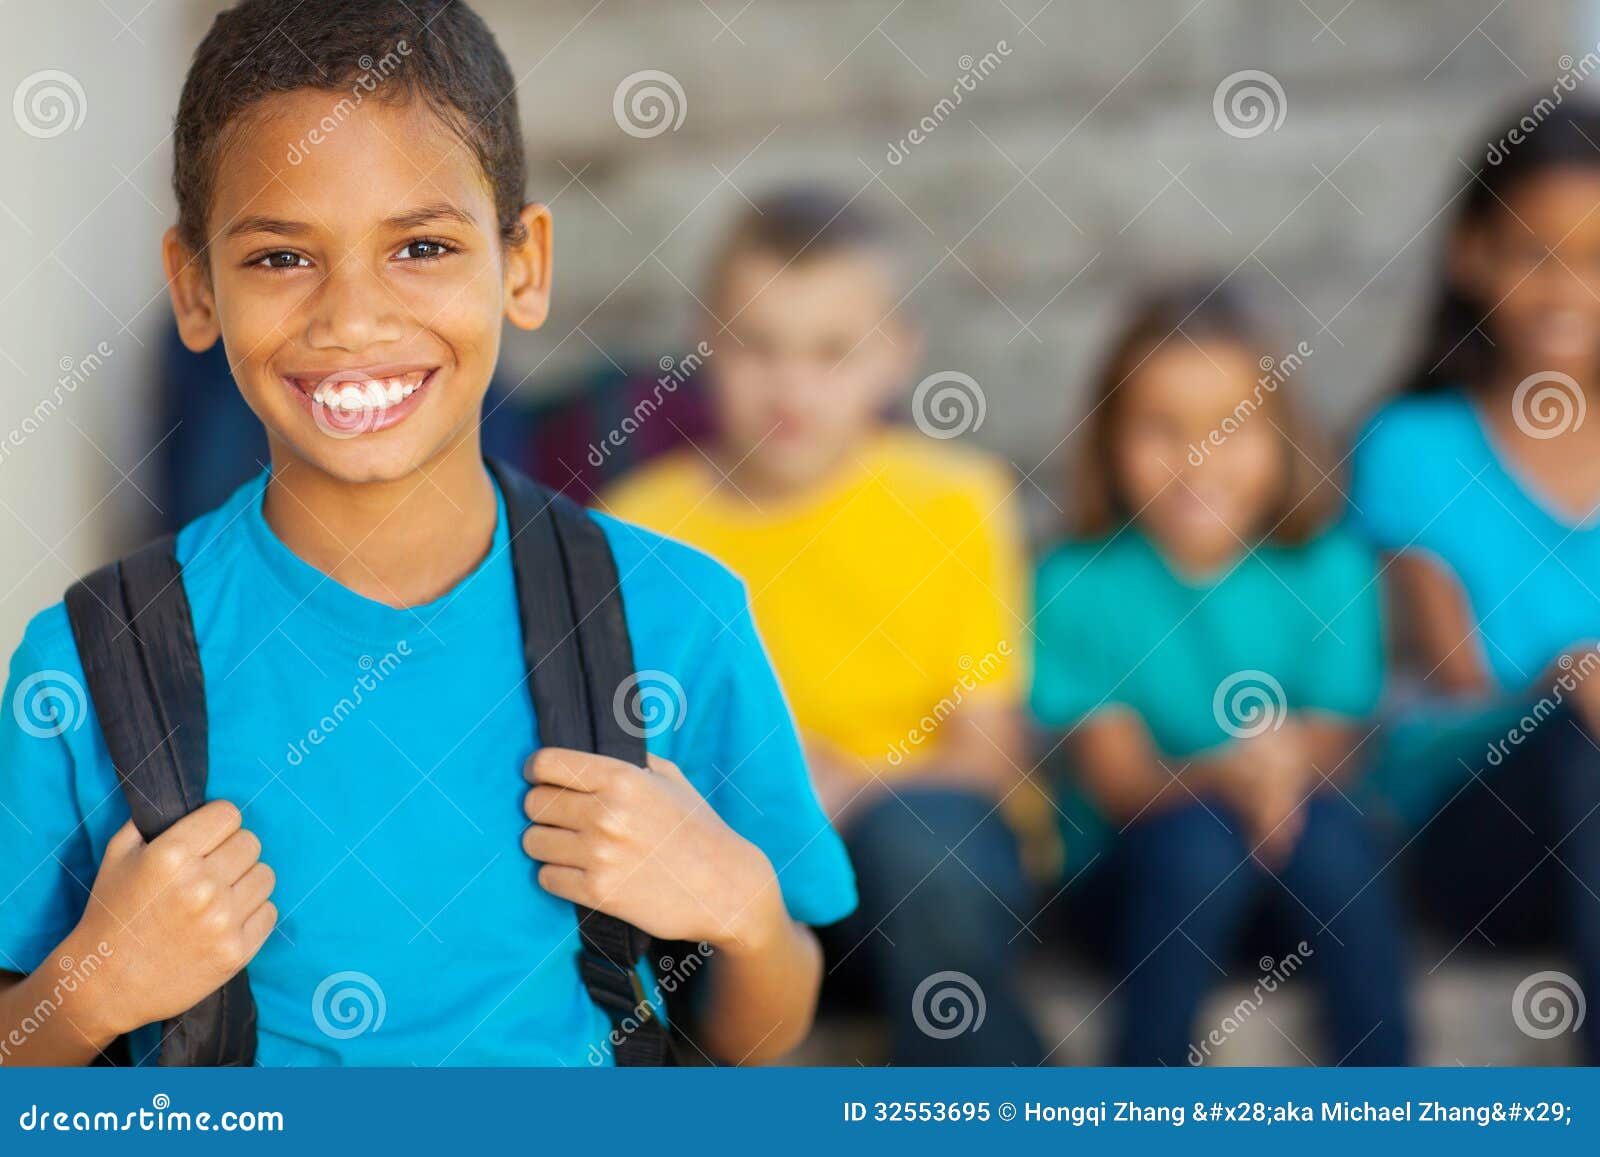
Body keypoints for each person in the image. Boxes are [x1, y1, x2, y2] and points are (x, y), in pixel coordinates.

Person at [0, 0, 855, 1067]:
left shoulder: (674, 618)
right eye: (279, 258)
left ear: (523, 265)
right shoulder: (87, 663)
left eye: (421, 245)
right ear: (193, 284)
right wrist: (88, 990)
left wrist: (744, 910)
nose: (353, 318)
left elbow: (765, 1034)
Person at [604, 188, 1050, 1065]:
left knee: (920, 844)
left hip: (924, 875)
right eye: (757, 348)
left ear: (898, 354)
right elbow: (624, 749)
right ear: (706, 344)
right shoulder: (639, 523)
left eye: (833, 352)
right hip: (735, 887)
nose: (793, 387)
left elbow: (991, 755)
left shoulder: (956, 500)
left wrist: (843, 787)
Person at [1032, 284, 1409, 1066]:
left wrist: (1276, 769)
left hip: (1292, 865)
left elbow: (1338, 744)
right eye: (1160, 430)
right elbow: (1119, 781)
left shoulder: (1329, 561)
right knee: (1201, 840)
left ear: (1281, 437)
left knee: (1336, 836)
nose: (1196, 462)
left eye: (1231, 430)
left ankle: (1390, 1093)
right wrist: (1232, 774)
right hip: (1134, 886)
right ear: (1109, 438)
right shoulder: (1078, 578)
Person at [1349, 102, 1600, 1063]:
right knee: (1580, 740)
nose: (1566, 286)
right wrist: (1567, 680)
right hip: (1485, 827)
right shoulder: (1413, 447)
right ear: (1472, 256)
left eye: (1593, 256)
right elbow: (1461, 685)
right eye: (1535, 253)